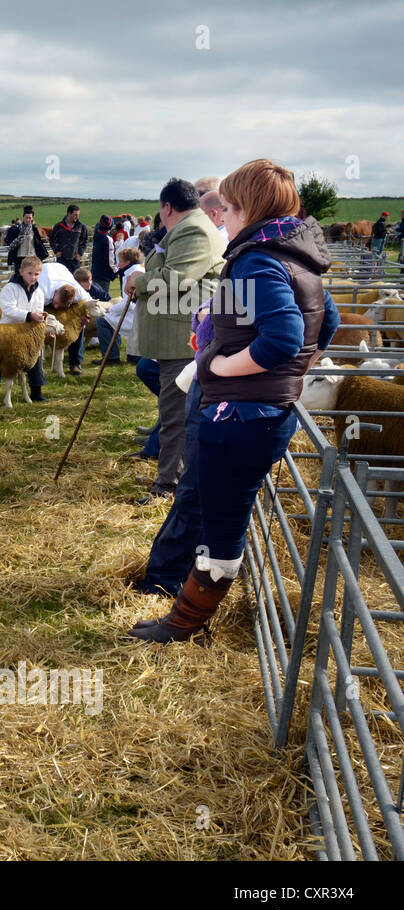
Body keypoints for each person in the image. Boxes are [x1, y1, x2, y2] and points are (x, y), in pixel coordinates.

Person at [131, 159, 340, 641]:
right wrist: (289, 374)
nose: (219, 217)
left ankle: (184, 625)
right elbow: (323, 322)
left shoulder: (258, 258)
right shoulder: (295, 255)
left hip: (240, 414)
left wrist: (217, 365)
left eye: (226, 207)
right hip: (262, 411)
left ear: (250, 207)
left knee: (220, 525)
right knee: (214, 508)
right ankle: (183, 610)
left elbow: (283, 339)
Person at [131, 179, 227, 504]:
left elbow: (175, 279)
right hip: (179, 336)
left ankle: (167, 486)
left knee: (175, 413)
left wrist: (139, 281)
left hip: (183, 339)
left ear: (167, 207)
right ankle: (172, 474)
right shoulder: (188, 228)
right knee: (175, 410)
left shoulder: (193, 230)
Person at [0, 255, 52, 402]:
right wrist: (29, 315)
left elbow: (39, 311)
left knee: (35, 356)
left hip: (28, 332)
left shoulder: (39, 292)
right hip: (9, 331)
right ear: (21, 271)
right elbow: (8, 309)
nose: (33, 277)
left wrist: (42, 328)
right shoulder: (10, 288)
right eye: (30, 273)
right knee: (0, 360)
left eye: (36, 274)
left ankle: (36, 390)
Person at [4, 205, 49, 273]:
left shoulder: (34, 230)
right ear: (23, 217)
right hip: (19, 259)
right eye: (26, 217)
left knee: (31, 280)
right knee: (19, 280)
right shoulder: (16, 230)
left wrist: (41, 256)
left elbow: (38, 244)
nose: (28, 219)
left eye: (30, 218)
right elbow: (9, 242)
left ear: (32, 218)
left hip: (31, 259)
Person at [50, 204, 89, 273]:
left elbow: (85, 240)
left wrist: (80, 253)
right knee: (61, 279)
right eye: (75, 214)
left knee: (75, 280)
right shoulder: (58, 226)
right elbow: (52, 239)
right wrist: (56, 251)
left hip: (75, 259)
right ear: (68, 213)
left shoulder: (81, 226)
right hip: (62, 259)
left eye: (78, 214)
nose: (77, 217)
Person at [90, 215, 118, 297]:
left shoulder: (97, 235)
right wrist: (116, 271)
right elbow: (110, 260)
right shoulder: (108, 239)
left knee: (95, 296)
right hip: (104, 274)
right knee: (103, 299)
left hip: (95, 271)